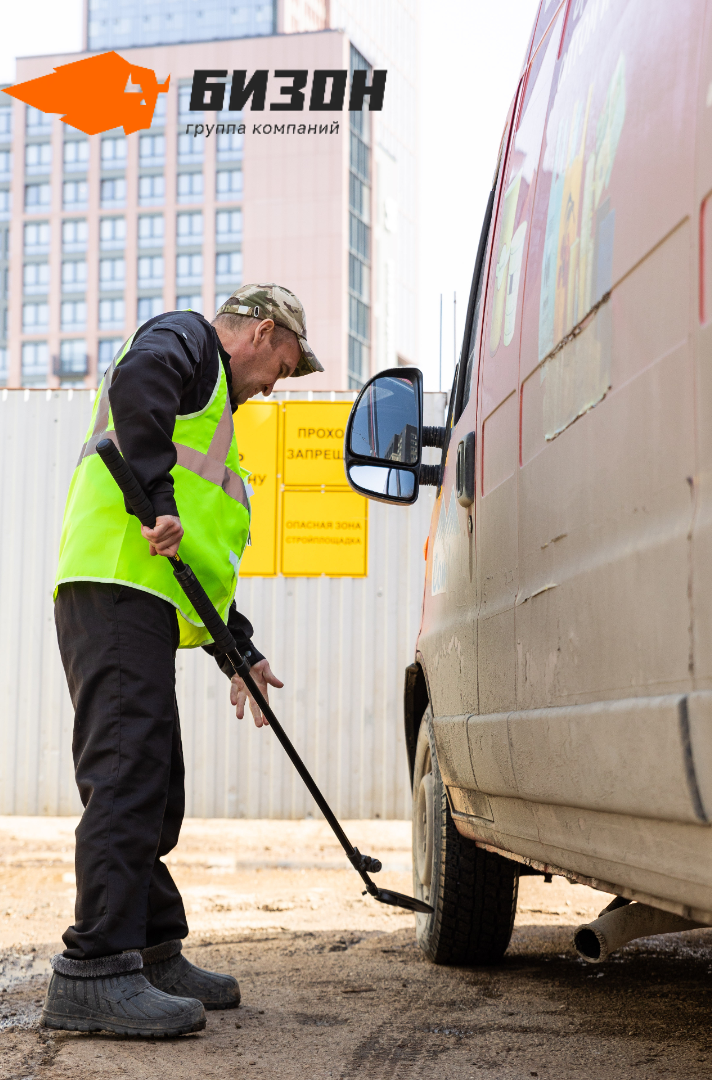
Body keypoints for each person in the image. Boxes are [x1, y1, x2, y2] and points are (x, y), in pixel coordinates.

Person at [42, 284, 323, 1037]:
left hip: (146, 597)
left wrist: (243, 653)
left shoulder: (215, 413)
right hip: (113, 583)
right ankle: (93, 970)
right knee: (128, 772)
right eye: (283, 367)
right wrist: (155, 496)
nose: (274, 387)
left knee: (157, 784)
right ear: (261, 333)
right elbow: (136, 384)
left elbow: (193, 559)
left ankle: (151, 947)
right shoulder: (188, 342)